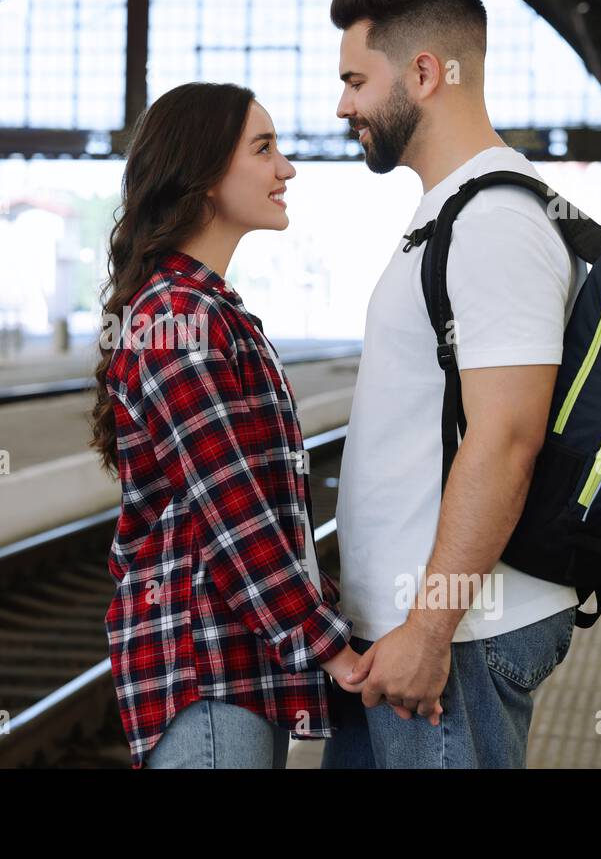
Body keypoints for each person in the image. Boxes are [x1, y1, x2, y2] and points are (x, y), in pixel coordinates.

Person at [89, 82, 397, 769]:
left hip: (235, 672)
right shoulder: (178, 317)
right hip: (207, 672)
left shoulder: (210, 310)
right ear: (201, 178)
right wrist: (333, 650)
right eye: (263, 149)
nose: (286, 168)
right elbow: (233, 512)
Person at [323, 0, 581, 769]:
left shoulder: (496, 221)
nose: (343, 106)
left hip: (455, 642)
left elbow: (506, 438)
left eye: (356, 80)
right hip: (404, 637)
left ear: (425, 74)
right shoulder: (450, 212)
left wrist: (431, 626)